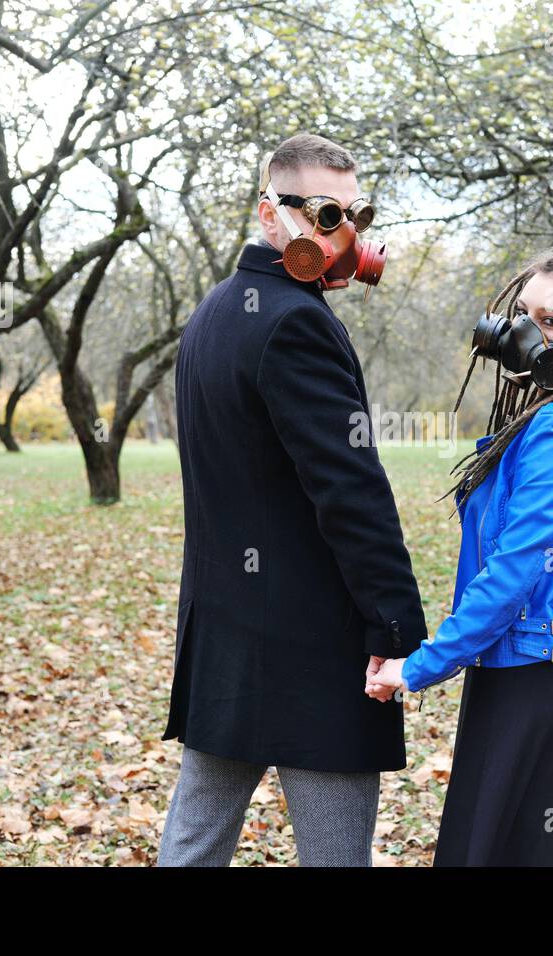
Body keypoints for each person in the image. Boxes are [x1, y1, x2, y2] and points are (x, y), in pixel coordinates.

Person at [157, 133, 427, 867]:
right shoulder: (298, 322)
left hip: (225, 638)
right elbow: (351, 492)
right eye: (321, 214)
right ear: (269, 215)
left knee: (192, 848)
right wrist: (395, 625)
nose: (339, 236)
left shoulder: (215, 312)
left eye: (351, 216)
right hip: (313, 647)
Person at [366, 248, 553, 866]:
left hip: (543, 685)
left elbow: (512, 573)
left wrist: (420, 667)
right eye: (524, 316)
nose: (530, 335)